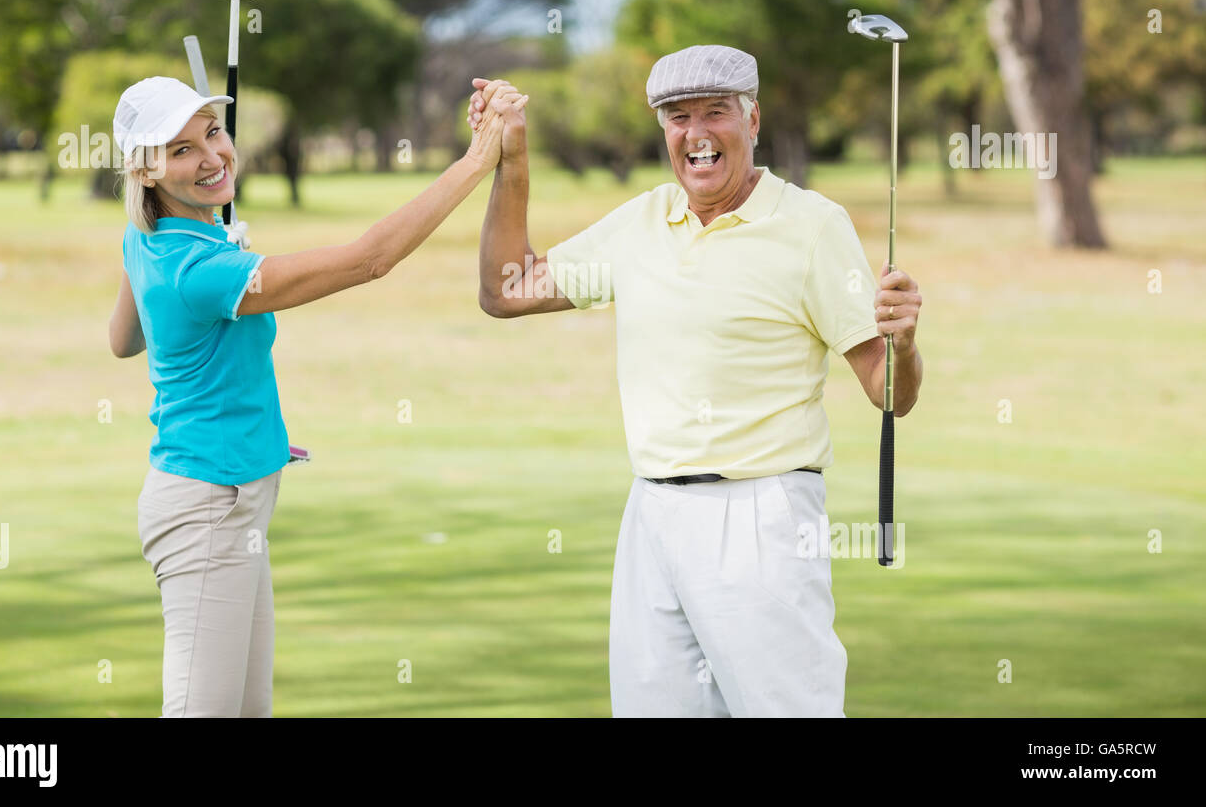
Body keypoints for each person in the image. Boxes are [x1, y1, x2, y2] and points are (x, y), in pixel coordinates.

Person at [472, 45, 924, 717]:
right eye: (679, 117)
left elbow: (891, 392)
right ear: (664, 131)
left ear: (754, 120)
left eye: (717, 112)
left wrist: (906, 343)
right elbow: (506, 292)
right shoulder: (644, 220)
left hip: (762, 517)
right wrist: (512, 162)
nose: (698, 133)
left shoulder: (811, 226)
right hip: (652, 514)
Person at [108, 74, 526, 716]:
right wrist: (477, 159)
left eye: (213, 133)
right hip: (208, 510)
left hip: (231, 502)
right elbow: (370, 260)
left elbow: (122, 338)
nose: (212, 156)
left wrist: (214, 237)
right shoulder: (200, 271)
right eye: (182, 150)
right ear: (145, 172)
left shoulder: (154, 239)